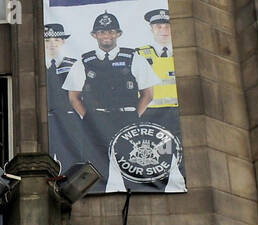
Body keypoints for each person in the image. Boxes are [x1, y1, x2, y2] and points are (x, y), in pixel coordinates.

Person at [63, 11, 157, 177]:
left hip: (127, 119)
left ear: (118, 34)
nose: (107, 36)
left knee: (132, 168)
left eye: (111, 31)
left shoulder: (134, 58)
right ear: (95, 35)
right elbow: (74, 97)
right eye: (102, 32)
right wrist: (88, 119)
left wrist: (134, 117)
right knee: (97, 172)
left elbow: (148, 94)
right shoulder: (84, 61)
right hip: (97, 122)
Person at [44, 23, 86, 175]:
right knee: (45, 165)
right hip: (46, 120)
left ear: (63, 41)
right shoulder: (39, 67)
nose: (52, 44)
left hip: (70, 120)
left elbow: (82, 95)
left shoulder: (74, 65)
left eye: (56, 40)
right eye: (47, 40)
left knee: (72, 162)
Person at [135, 9, 179, 134]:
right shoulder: (139, 55)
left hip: (180, 114)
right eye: (159, 27)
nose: (164, 30)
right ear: (151, 29)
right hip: (150, 115)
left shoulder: (185, 54)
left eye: (167, 26)